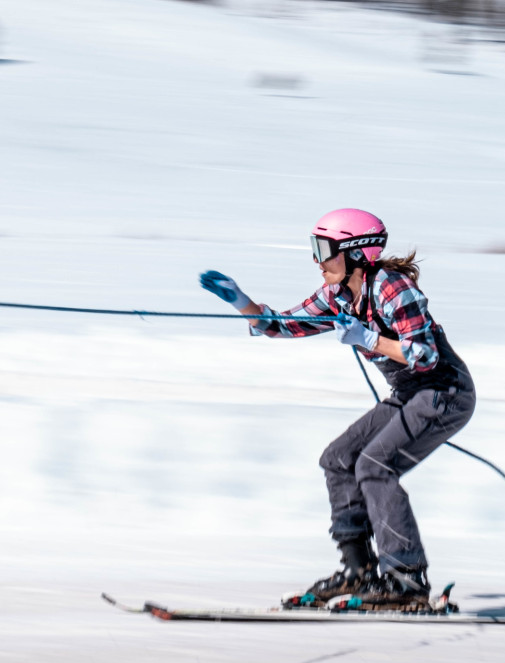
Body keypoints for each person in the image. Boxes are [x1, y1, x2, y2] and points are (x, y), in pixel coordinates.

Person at [199, 209, 475, 610]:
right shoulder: (338, 294)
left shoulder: (392, 288)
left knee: (375, 466)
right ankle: (358, 570)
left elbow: (425, 355)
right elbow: (282, 324)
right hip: (409, 393)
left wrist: (369, 338)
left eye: (324, 250)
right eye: (315, 248)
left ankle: (406, 580)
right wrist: (242, 302)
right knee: (339, 459)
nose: (318, 260)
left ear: (357, 253)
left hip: (444, 392)